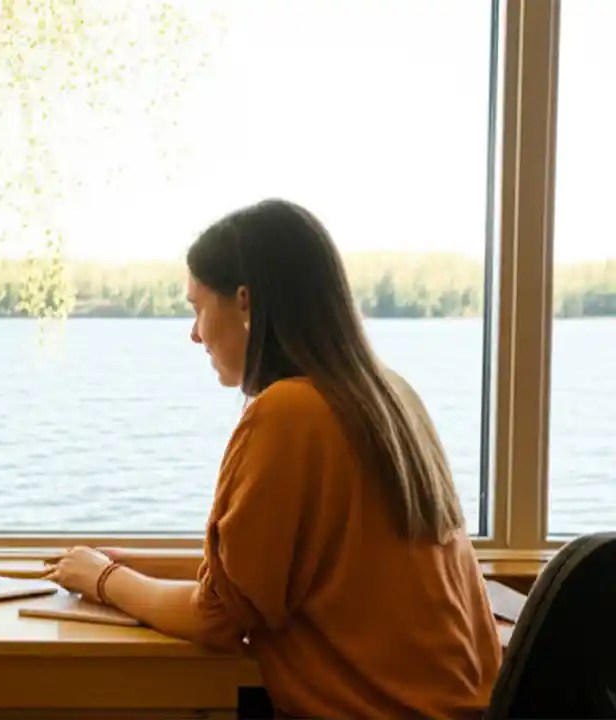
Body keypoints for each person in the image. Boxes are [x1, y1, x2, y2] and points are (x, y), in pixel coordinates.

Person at [44, 199, 502, 718]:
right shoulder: (392, 397)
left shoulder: (288, 413)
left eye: (197, 307)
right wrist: (140, 565)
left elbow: (216, 621)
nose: (194, 333)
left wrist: (105, 582)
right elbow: (310, 575)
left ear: (244, 302)